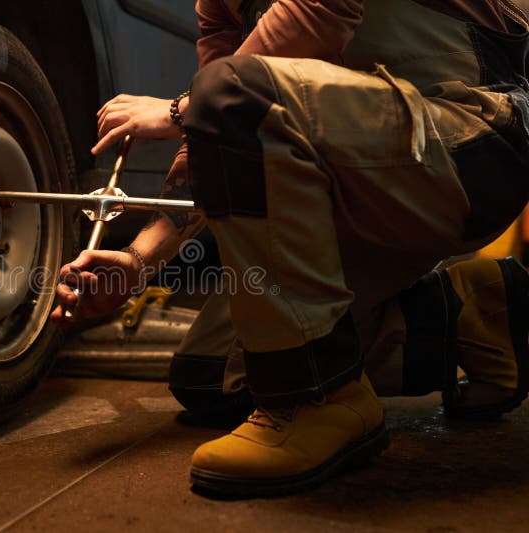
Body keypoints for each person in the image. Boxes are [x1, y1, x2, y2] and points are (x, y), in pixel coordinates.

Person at [51, 0, 529, 497]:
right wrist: (137, 260)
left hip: (472, 140)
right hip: (360, 168)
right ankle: (470, 316)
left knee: (231, 94)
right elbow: (210, 142)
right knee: (215, 378)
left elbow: (322, 12)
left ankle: (319, 399)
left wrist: (179, 108)